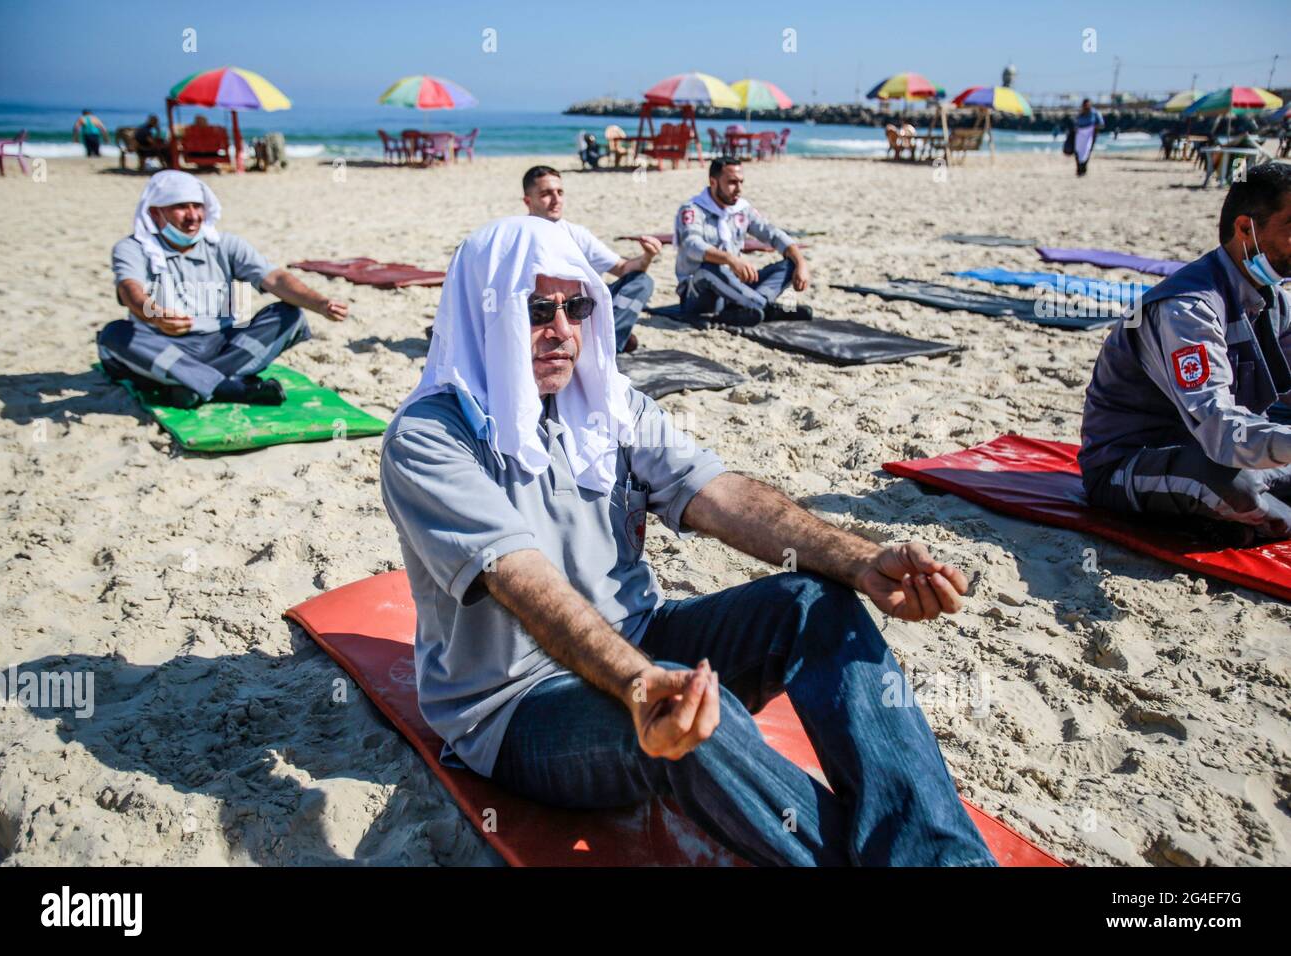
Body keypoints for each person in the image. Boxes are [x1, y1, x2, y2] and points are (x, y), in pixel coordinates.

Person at [379, 215, 995, 867]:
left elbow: (720, 496)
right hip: (520, 705)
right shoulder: (429, 439)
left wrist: (861, 561)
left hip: (643, 634)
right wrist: (638, 683)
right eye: (537, 310)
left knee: (818, 603)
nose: (562, 329)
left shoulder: (605, 403)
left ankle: (939, 857)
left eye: (577, 305)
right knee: (687, 700)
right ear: (486, 316)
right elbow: (523, 582)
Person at [1079, 162, 1291, 542]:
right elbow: (1222, 432)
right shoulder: (1187, 309)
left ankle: (1259, 515)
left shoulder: (1271, 298)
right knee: (1236, 485)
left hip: (1204, 448)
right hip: (1134, 460)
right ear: (1246, 229)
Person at [97, 170, 348, 409]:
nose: (193, 215)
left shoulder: (225, 244)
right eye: (181, 207)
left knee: (290, 315)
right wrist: (156, 315)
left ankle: (190, 383)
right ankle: (228, 388)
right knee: (114, 335)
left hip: (223, 343)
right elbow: (131, 290)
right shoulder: (132, 248)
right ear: (155, 213)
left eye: (198, 206)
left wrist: (321, 303)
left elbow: (276, 279)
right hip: (165, 344)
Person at [522, 164, 658, 353]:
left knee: (642, 282)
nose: (556, 200)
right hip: (544, 312)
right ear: (528, 201)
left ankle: (608, 345)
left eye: (560, 192)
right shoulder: (520, 236)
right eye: (546, 194)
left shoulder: (576, 233)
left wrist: (647, 256)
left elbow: (622, 268)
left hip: (581, 308)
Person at [674, 156, 811, 325]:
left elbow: (773, 234)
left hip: (735, 286)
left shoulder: (741, 209)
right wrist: (730, 259)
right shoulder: (693, 209)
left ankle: (750, 306)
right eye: (732, 182)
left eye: (741, 182)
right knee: (710, 268)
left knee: (790, 263)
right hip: (701, 295)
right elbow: (691, 245)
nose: (739, 189)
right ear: (713, 182)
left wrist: (801, 263)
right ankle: (765, 307)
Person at [1071, 99, 1105, 177]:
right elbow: (1075, 123)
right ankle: (1079, 169)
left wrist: (1094, 128)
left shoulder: (1095, 113)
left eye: (1087, 105)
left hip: (1091, 135)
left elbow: (1101, 124)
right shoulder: (1080, 113)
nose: (1086, 107)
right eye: (1084, 105)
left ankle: (1083, 169)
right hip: (1080, 135)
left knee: (1087, 151)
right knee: (1078, 151)